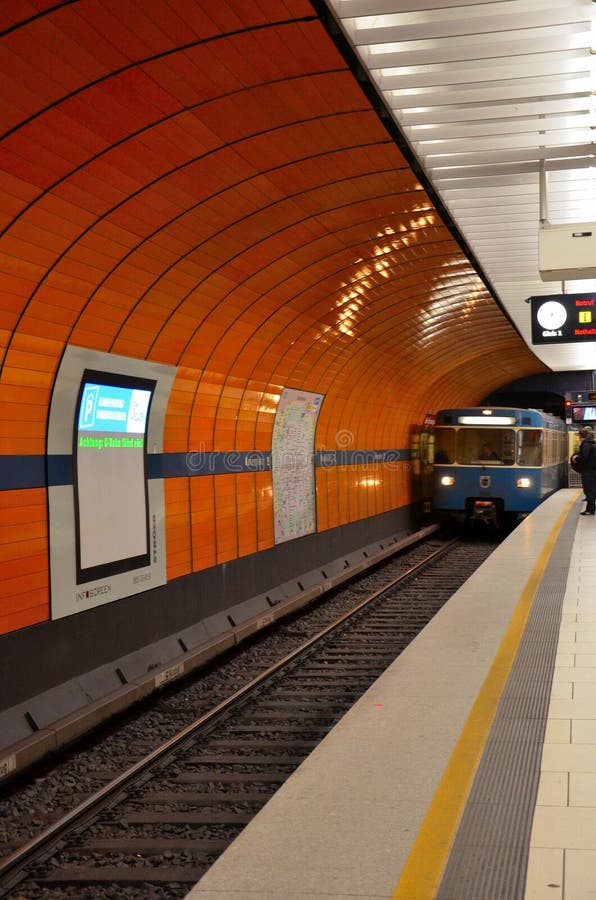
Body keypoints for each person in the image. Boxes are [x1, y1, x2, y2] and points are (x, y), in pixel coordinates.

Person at [574, 426, 596, 515]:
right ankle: (591, 507)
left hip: (588, 471)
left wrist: (576, 458)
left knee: (589, 490)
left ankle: (590, 510)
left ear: (580, 436)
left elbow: (584, 457)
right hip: (592, 470)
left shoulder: (586, 444)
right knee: (592, 489)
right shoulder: (592, 443)